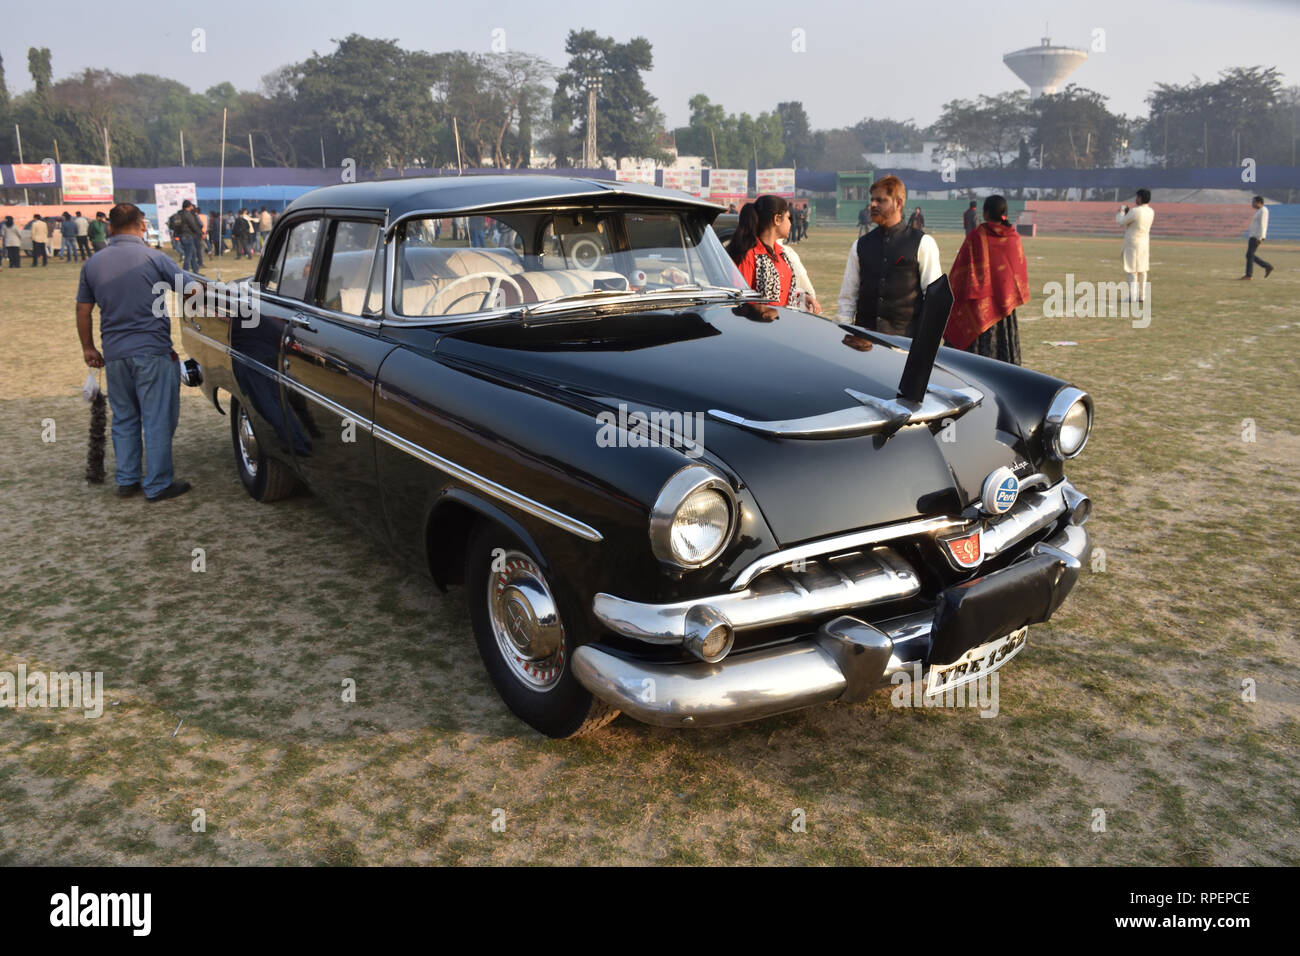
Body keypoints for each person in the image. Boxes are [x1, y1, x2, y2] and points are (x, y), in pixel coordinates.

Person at [75, 203, 191, 502]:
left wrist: (89, 347)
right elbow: (190, 290)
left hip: (114, 354)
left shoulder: (92, 264)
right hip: (152, 351)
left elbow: (83, 310)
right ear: (142, 225)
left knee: (125, 417)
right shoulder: (154, 257)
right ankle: (157, 484)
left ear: (110, 227)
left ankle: (126, 479)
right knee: (157, 418)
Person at [836, 175, 942, 337]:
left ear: (898, 203)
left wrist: (925, 343)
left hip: (904, 346)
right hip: (864, 343)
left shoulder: (923, 243)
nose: (873, 205)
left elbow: (934, 299)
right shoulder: (860, 245)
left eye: (880, 200)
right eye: (872, 200)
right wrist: (843, 334)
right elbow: (847, 298)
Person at [943, 195, 1028, 365]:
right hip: (1004, 308)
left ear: (986, 213)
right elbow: (1018, 272)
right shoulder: (1013, 238)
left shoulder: (976, 236)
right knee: (1003, 362)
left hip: (976, 308)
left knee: (971, 364)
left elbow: (959, 274)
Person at [726, 195, 799, 307]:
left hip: (784, 320)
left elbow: (783, 288)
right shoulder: (749, 256)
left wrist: (801, 296)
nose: (790, 223)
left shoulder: (780, 253)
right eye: (788, 218)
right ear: (777, 219)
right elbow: (739, 300)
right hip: (760, 322)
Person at [1115, 188, 1153, 303]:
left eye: (1137, 197)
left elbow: (1121, 221)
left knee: (1132, 270)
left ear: (1140, 198)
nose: (1136, 199)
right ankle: (1142, 296)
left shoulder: (1136, 211)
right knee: (1142, 270)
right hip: (1144, 243)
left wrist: (1121, 211)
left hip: (1133, 244)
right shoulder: (1151, 211)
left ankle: (1133, 297)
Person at [1241, 195, 1273, 280]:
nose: (1252, 204)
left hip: (1256, 237)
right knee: (1249, 255)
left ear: (1259, 202)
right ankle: (1267, 266)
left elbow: (1263, 224)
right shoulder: (1259, 211)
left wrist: (1261, 237)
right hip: (1253, 236)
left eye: (1253, 202)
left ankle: (1249, 275)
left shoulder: (1264, 211)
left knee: (1249, 255)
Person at [177, 200, 204, 272]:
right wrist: (201, 233)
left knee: (193, 254)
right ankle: (185, 272)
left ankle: (195, 271)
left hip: (182, 236)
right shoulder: (187, 214)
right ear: (188, 206)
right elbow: (193, 225)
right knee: (189, 255)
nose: (192, 207)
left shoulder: (179, 213)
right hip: (188, 236)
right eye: (191, 205)